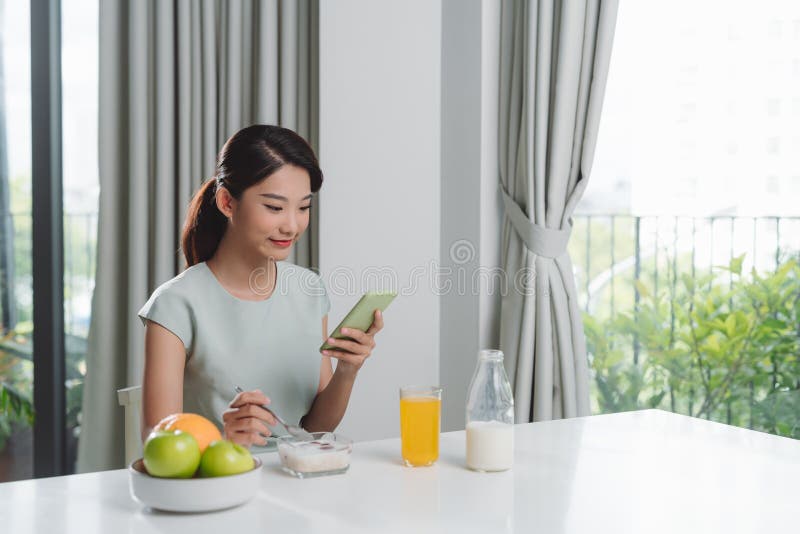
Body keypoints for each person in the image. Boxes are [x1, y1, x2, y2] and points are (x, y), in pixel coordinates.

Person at [138, 124, 384, 448]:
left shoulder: (309, 290)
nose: (292, 225)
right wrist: (224, 438)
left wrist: (348, 370)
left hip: (295, 482)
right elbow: (158, 445)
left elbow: (313, 428)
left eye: (304, 207)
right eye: (274, 207)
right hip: (216, 487)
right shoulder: (175, 304)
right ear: (227, 203)